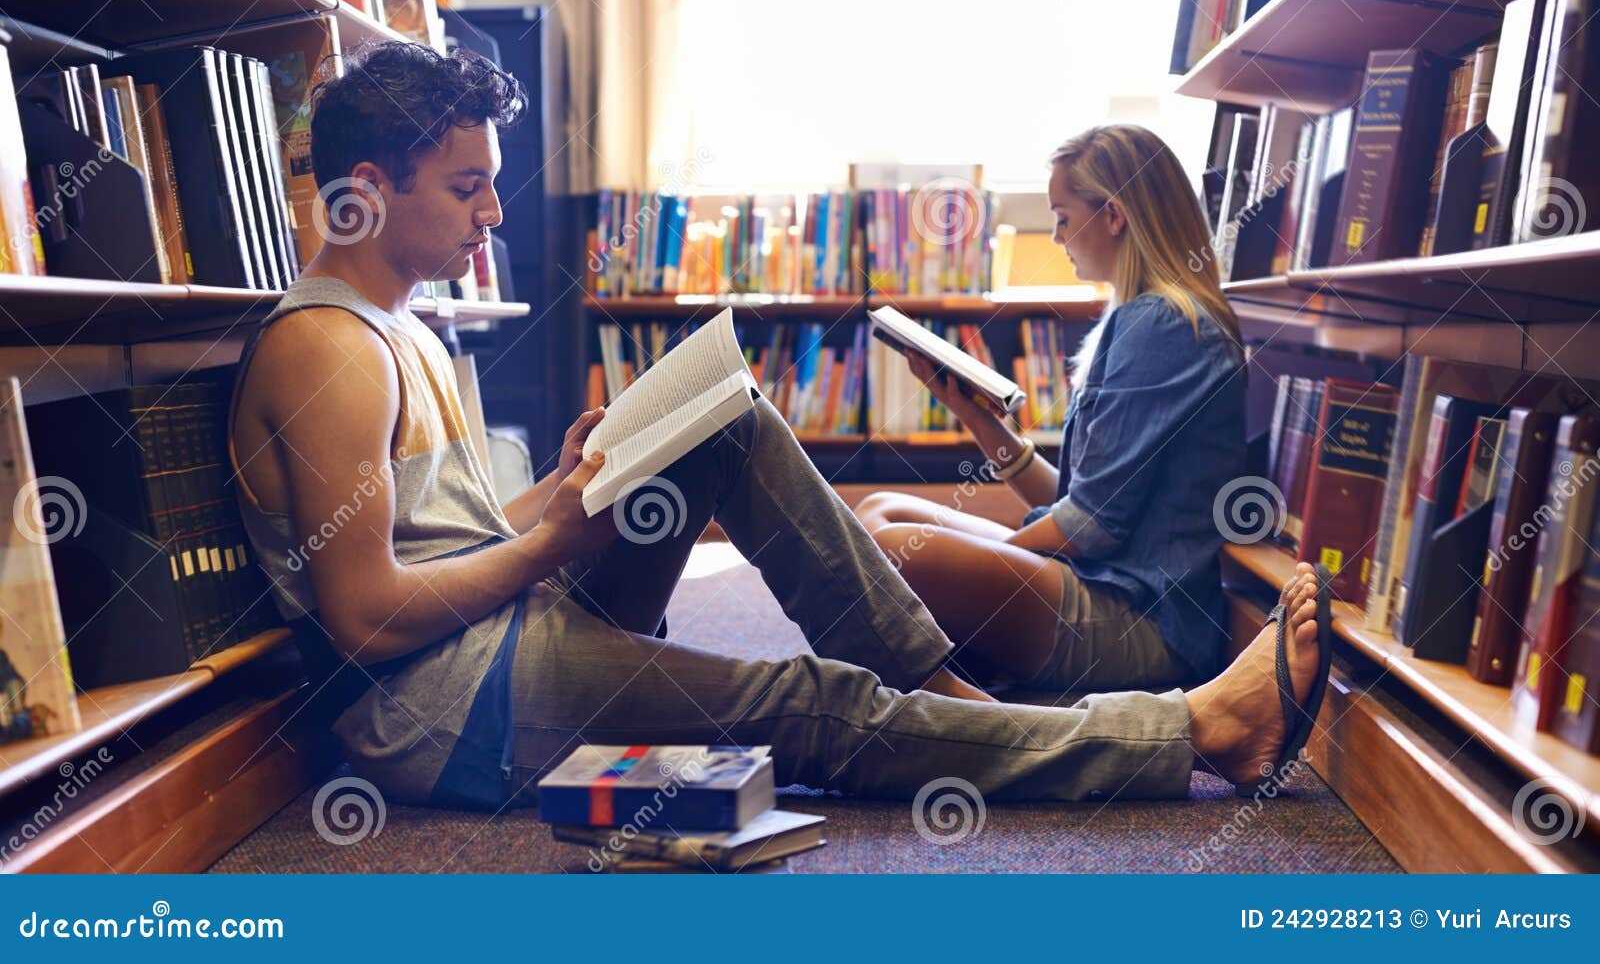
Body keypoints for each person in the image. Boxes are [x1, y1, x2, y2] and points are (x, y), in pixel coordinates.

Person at [227, 43, 1327, 815]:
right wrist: (553, 540)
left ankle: (939, 699)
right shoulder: (326, 348)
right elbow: (367, 618)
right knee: (810, 706)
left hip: (489, 636)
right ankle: (1185, 733)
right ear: (367, 191)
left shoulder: (404, 328)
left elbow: (443, 536)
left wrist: (560, 494)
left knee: (729, 419)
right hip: (437, 713)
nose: (494, 215)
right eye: (468, 188)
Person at [858, 124, 1245, 696]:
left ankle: (960, 695)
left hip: (1141, 619)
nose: (1059, 237)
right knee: (879, 510)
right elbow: (1069, 503)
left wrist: (984, 557)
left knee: (890, 557)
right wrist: (975, 416)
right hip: (1097, 579)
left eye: (1063, 217)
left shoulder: (1165, 325)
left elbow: (1088, 527)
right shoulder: (1135, 316)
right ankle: (957, 673)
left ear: (1113, 215)